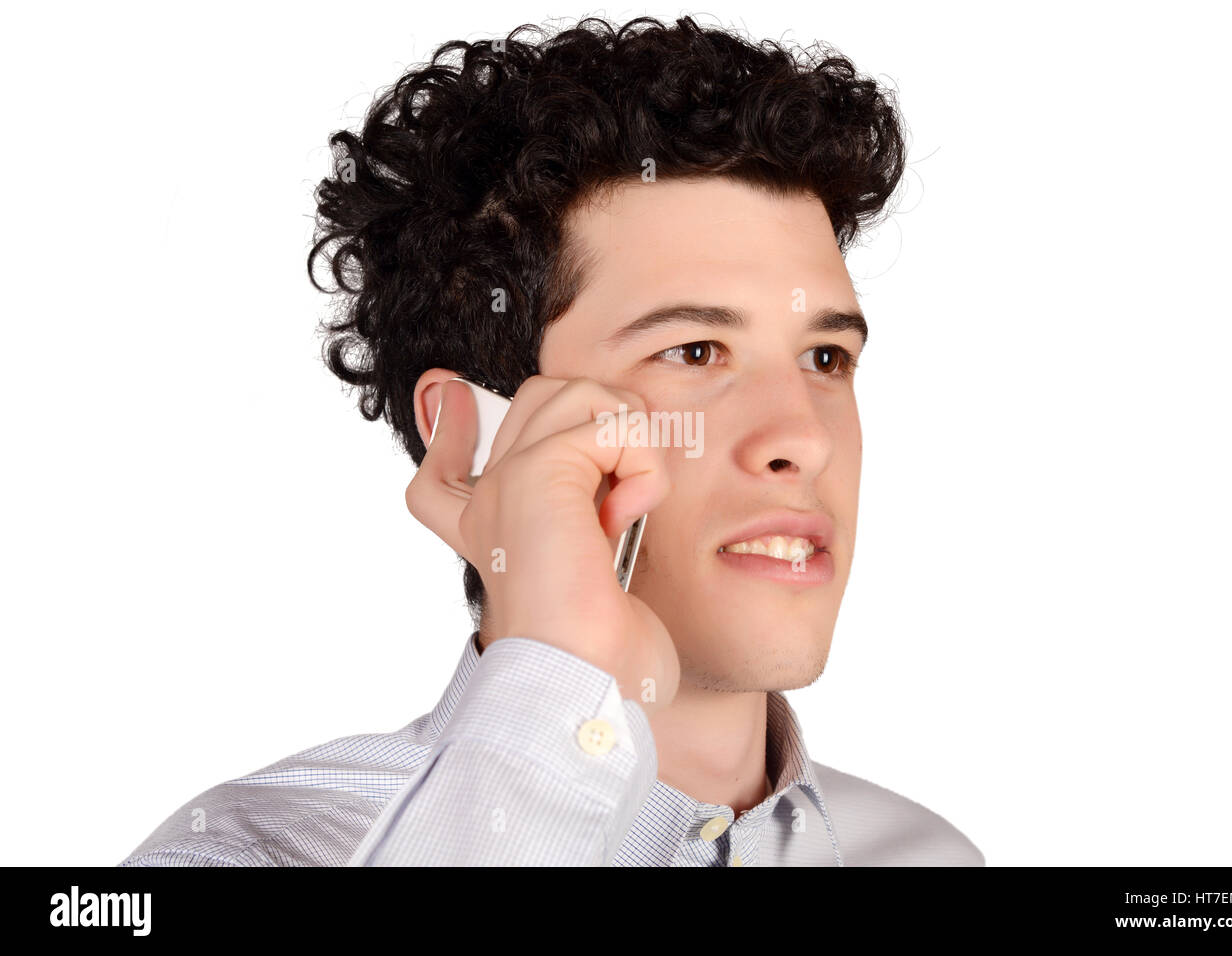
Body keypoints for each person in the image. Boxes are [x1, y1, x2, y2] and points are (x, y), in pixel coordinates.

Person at [120, 14, 983, 867]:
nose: (804, 438)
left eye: (825, 356)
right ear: (469, 437)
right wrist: (557, 680)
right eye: (692, 351)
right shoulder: (246, 855)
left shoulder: (936, 859)